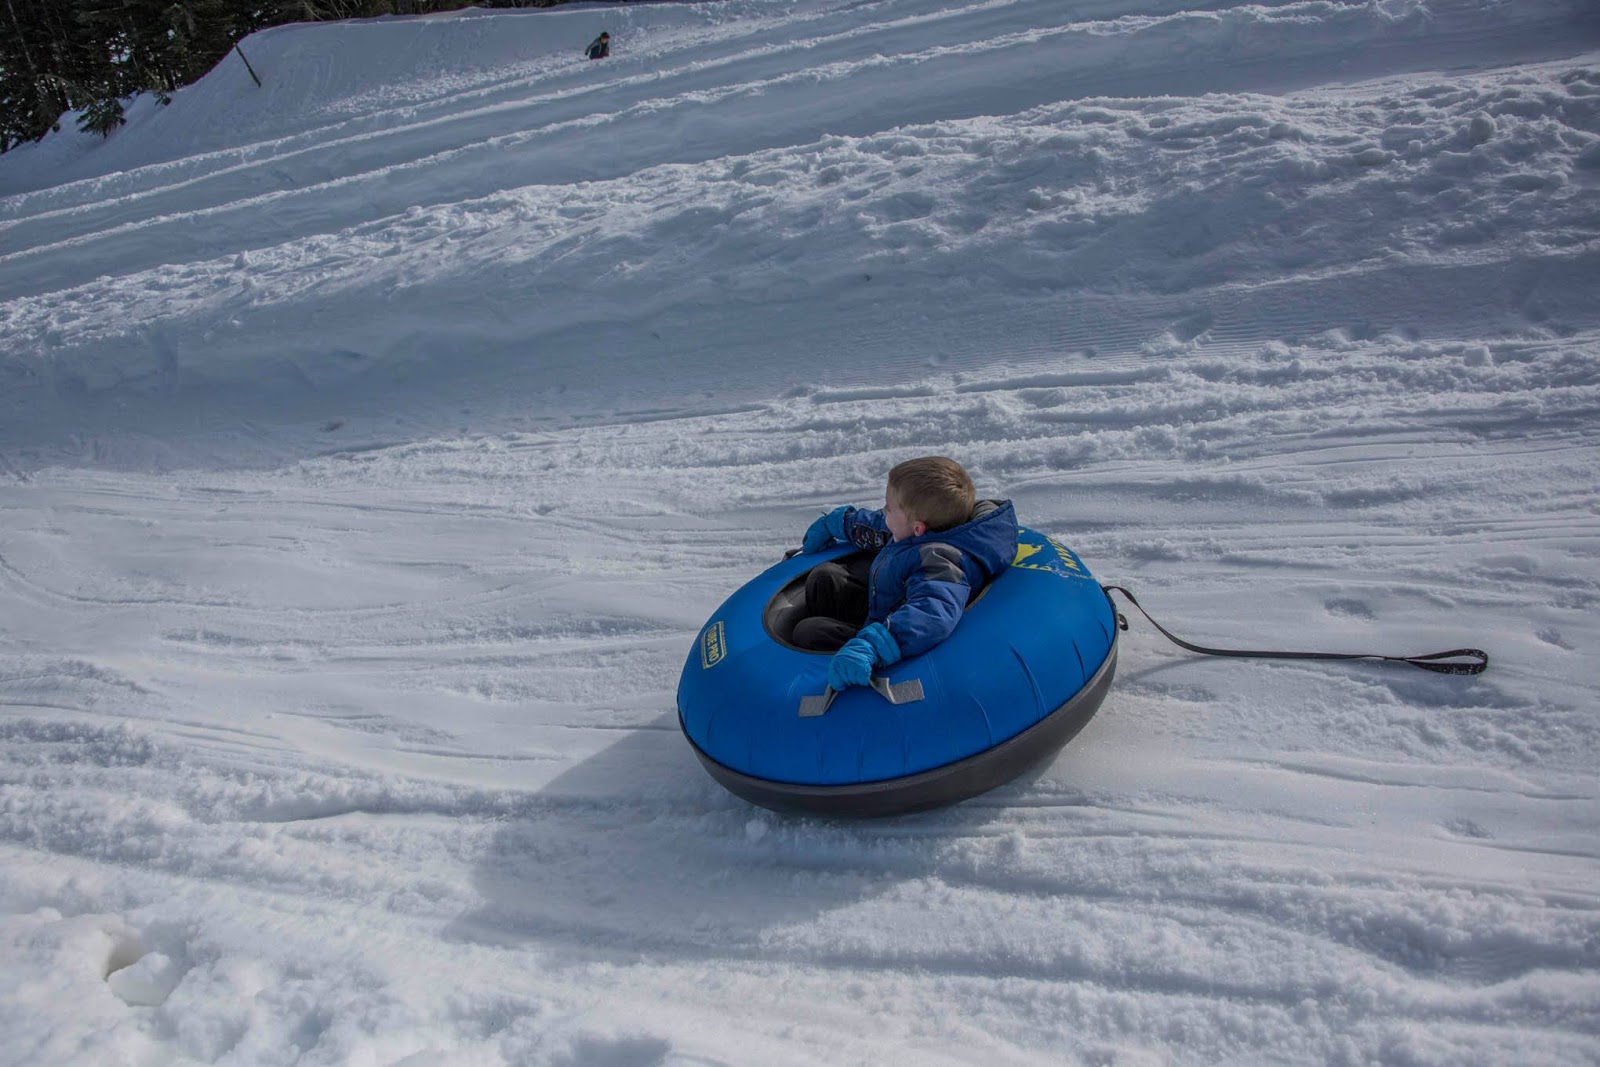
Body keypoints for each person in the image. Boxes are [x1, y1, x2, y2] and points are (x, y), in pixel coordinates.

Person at [795, 456, 1018, 692]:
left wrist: (871, 646)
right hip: (883, 605)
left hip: (891, 636)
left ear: (918, 528)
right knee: (826, 577)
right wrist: (839, 523)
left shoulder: (941, 562)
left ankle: (837, 668)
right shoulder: (919, 529)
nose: (884, 510)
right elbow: (879, 525)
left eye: (889, 508)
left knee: (809, 631)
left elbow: (931, 613)